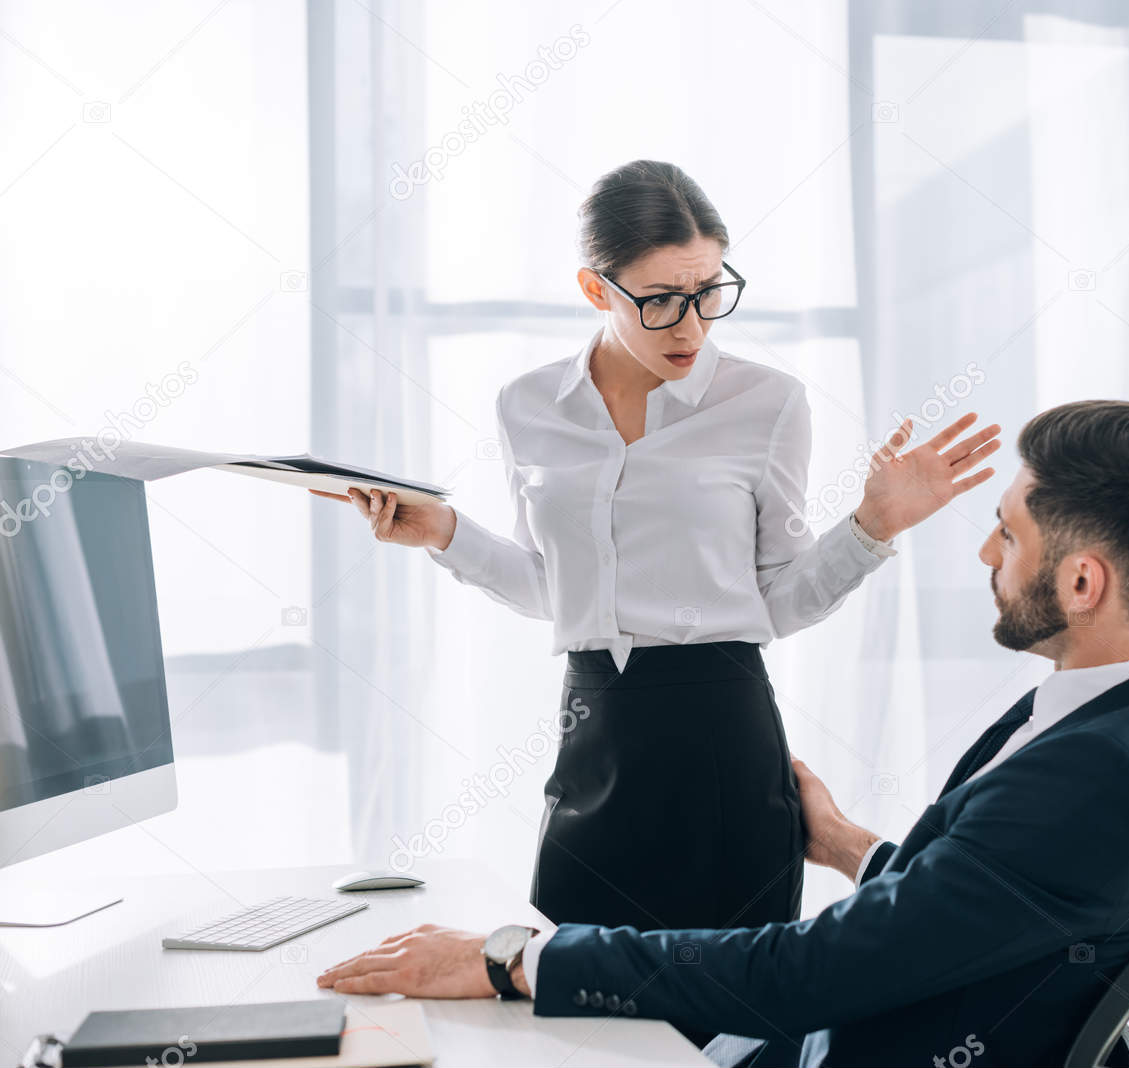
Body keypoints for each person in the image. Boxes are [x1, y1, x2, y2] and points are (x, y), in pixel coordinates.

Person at [319, 399, 1129, 1068]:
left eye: (1007, 535)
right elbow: (982, 903)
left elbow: (810, 971)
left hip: (836, 1061)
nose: (987, 554)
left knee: (488, 1057)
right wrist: (844, 844)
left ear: (1082, 585)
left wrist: (512, 957)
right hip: (841, 1026)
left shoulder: (1093, 778)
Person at [315, 160, 999, 940]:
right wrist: (443, 533)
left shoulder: (767, 403)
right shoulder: (526, 406)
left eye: (710, 292)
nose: (691, 325)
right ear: (595, 289)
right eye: (662, 299)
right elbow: (558, 592)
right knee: (567, 1005)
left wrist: (872, 527)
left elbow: (775, 602)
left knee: (723, 1021)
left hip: (720, 732)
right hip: (591, 731)